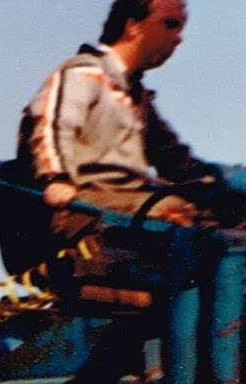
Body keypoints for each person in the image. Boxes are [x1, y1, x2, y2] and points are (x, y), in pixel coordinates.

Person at [18, 0, 246, 242]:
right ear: (133, 26)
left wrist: (226, 184)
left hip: (132, 198)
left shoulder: (135, 96)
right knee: (182, 217)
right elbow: (51, 125)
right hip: (88, 199)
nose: (178, 38)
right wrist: (56, 179)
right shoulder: (84, 73)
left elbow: (178, 162)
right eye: (170, 25)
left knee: (230, 220)